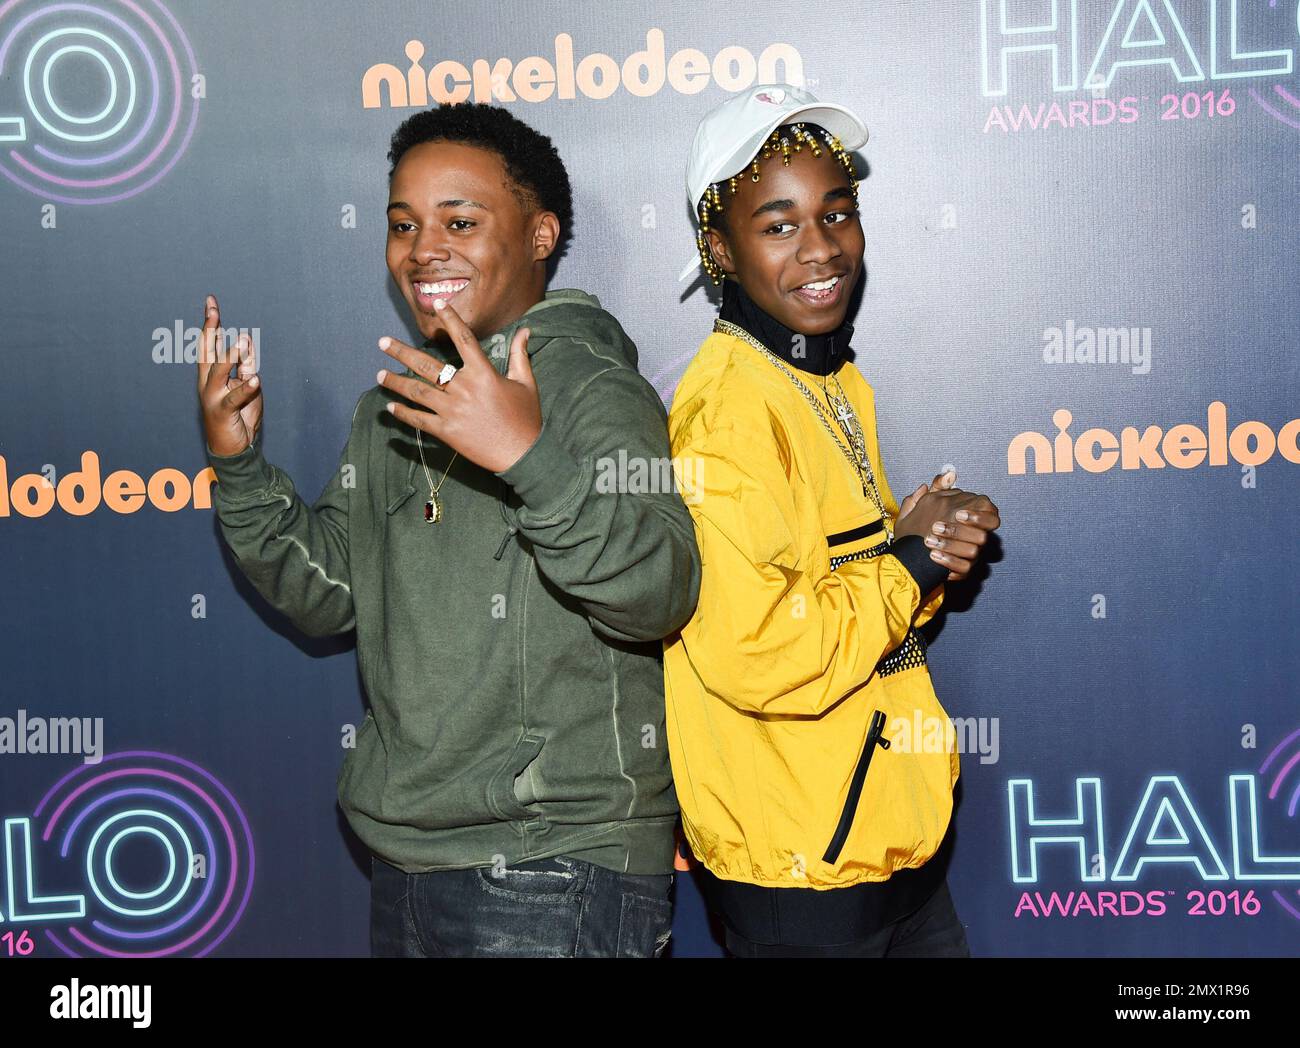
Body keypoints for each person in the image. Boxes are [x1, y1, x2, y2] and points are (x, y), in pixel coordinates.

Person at [197, 102, 701, 957]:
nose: (423, 248)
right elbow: (331, 600)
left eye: (459, 221)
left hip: (557, 866)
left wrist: (530, 456)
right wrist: (240, 467)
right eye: (403, 224)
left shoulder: (587, 385)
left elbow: (660, 593)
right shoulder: (391, 409)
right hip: (411, 861)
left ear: (541, 235)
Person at [662, 85, 1001, 957]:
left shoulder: (828, 379)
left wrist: (918, 543)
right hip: (802, 870)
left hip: (883, 839)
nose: (821, 248)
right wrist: (912, 565)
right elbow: (763, 652)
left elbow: (851, 607)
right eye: (778, 225)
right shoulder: (730, 413)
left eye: (837, 213)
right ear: (719, 250)